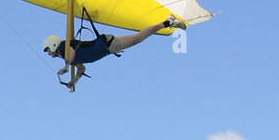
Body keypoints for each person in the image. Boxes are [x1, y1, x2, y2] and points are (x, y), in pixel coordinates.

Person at [44, 15, 187, 92]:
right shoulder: (67, 57)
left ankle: (168, 22)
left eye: (49, 51)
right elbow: (82, 68)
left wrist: (66, 67)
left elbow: (72, 52)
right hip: (106, 48)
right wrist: (73, 82)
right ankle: (168, 22)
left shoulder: (64, 47)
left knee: (138, 37)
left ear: (53, 45)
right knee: (139, 38)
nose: (50, 54)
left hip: (106, 44)